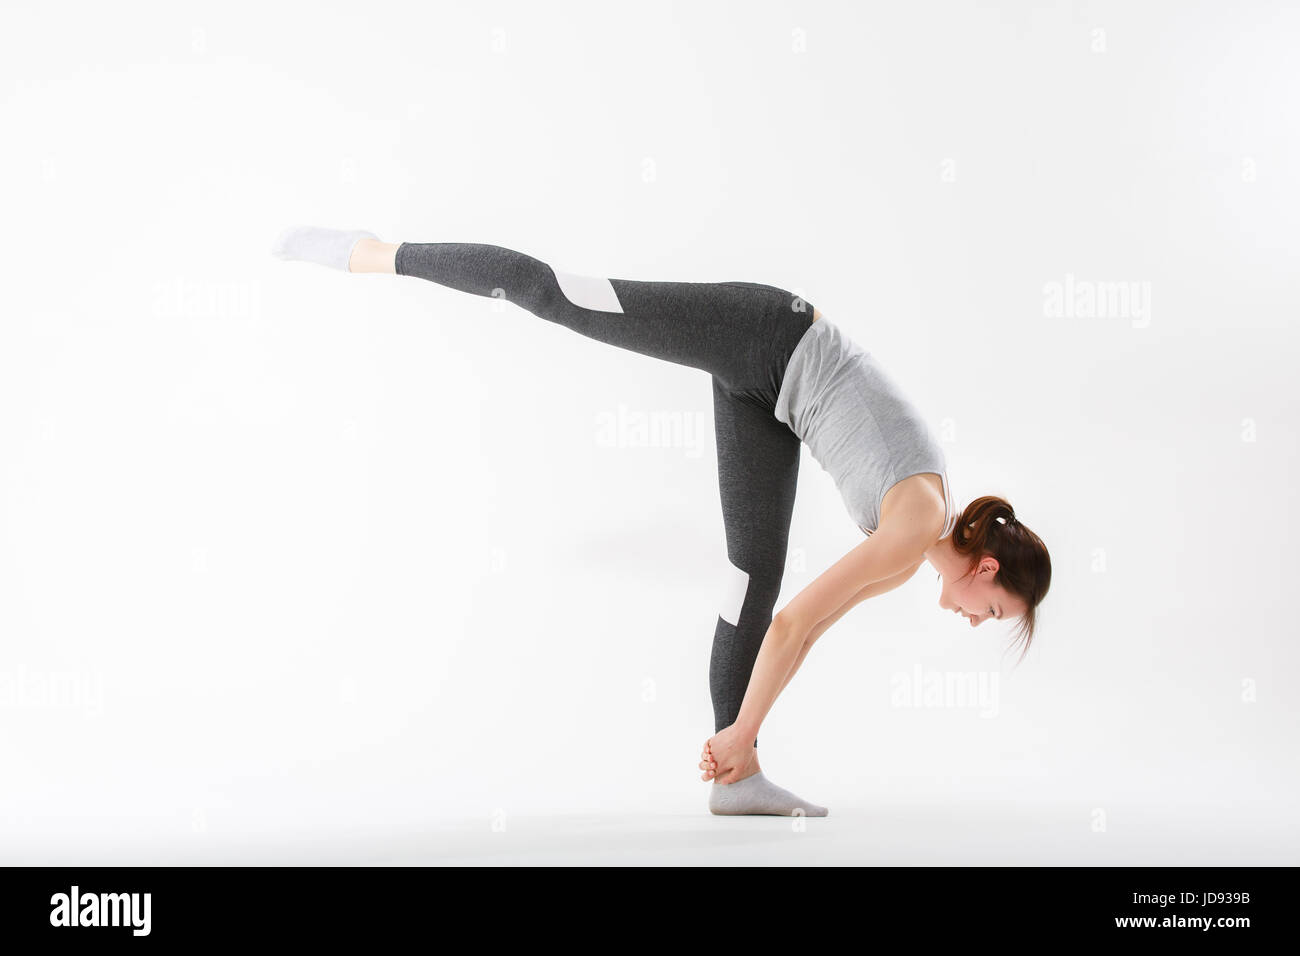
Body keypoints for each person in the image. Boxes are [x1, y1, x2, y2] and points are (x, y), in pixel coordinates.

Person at [272, 226, 1052, 817]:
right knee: (558, 295)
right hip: (766, 334)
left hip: (770, 398)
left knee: (752, 572)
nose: (977, 622)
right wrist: (745, 725)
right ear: (984, 571)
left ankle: (736, 783)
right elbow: (791, 631)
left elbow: (801, 629)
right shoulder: (915, 527)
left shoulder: (914, 542)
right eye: (993, 612)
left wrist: (742, 731)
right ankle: (371, 252)